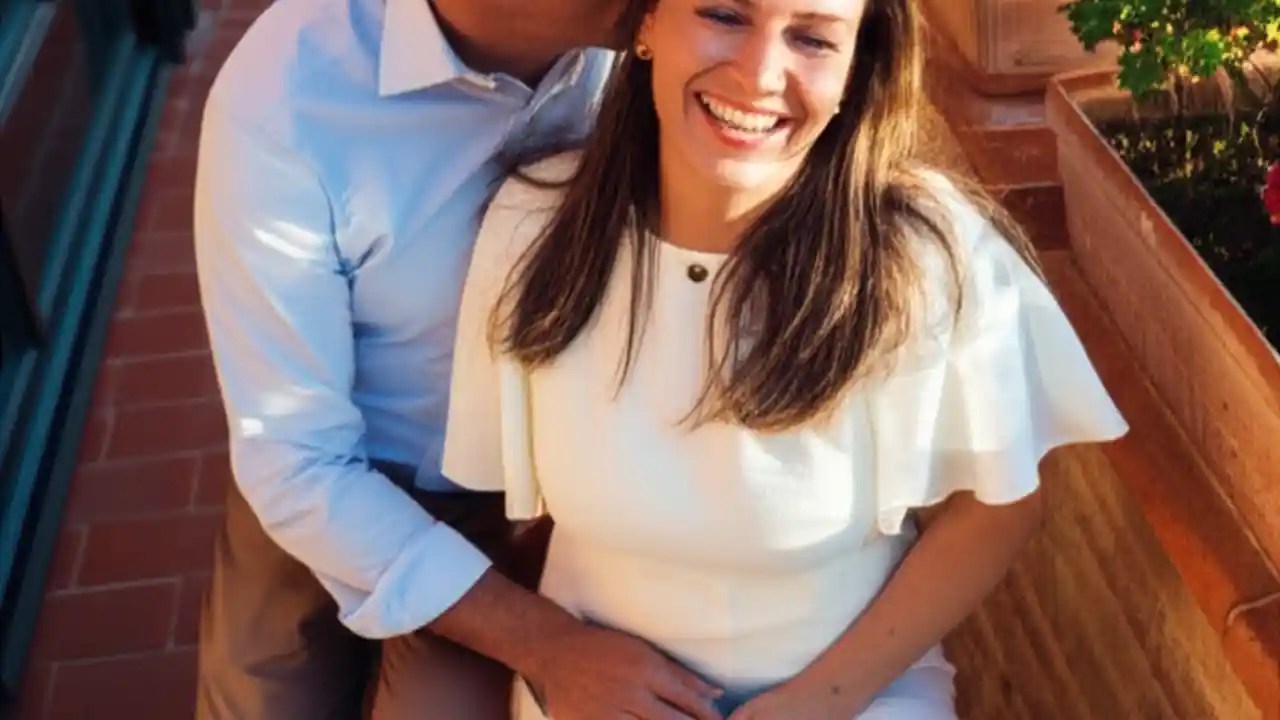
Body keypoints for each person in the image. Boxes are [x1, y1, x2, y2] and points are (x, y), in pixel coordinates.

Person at [442, 0, 1130, 717]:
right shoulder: (532, 224)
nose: (761, 74)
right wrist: (559, 657)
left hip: (856, 694)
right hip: (594, 692)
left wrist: (820, 700)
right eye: (724, 14)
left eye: (812, 38)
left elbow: (997, 510)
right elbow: (508, 517)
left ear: (857, 68)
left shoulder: (928, 256)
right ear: (646, 22)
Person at [193, 0, 728, 718]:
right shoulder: (287, 103)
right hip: (346, 476)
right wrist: (548, 646)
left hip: (559, 485)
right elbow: (294, 461)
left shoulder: (664, 38)